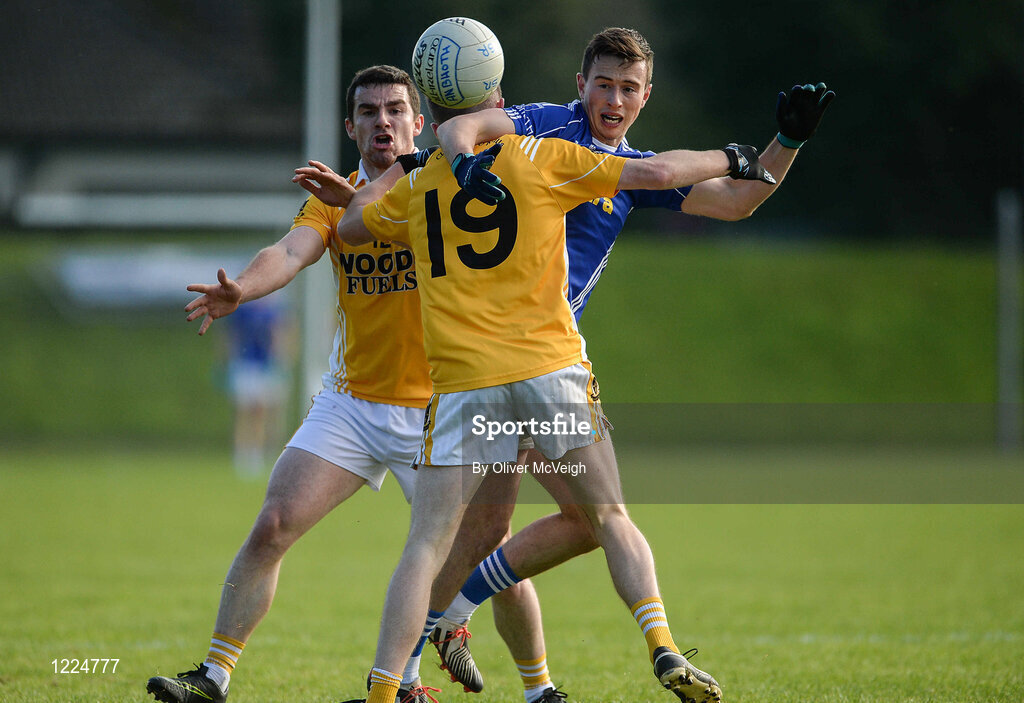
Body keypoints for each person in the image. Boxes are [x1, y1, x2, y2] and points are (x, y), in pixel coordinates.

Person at [417, 26, 834, 694]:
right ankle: (428, 653)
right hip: (503, 359)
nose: (614, 98)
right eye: (603, 84)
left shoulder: (630, 170)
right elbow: (464, 126)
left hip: (529, 367)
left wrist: (787, 142)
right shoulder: (542, 125)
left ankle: (466, 644)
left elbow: (736, 202)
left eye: (628, 87)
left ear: (645, 95)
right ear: (580, 85)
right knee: (539, 521)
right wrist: (466, 156)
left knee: (531, 524)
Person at [334, 76, 775, 703]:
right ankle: (662, 645)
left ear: (429, 110)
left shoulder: (418, 183)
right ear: (494, 103)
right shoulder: (543, 156)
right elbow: (654, 173)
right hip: (548, 369)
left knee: (430, 542)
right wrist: (733, 157)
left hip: (466, 382)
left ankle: (388, 690)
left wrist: (396, 171)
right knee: (607, 516)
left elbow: (351, 228)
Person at [145, 65, 553, 703]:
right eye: (368, 112)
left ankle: (538, 690)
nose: (382, 121)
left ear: (422, 123)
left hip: (442, 406)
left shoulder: (442, 182)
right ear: (350, 126)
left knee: (490, 552)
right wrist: (242, 290)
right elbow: (289, 252)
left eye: (396, 109)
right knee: (274, 523)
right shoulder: (336, 197)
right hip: (355, 402)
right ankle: (213, 677)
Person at [222, 292, 292, 478]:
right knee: (243, 411)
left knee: (261, 411)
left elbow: (279, 336)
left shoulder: (273, 311)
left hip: (265, 366)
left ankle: (256, 454)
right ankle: (242, 454)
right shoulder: (242, 311)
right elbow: (232, 336)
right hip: (245, 364)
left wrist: (280, 361)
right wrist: (228, 361)